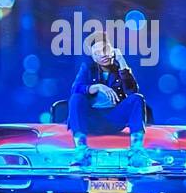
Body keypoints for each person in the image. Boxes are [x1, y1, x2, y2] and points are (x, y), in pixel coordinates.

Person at [67, 34, 157, 172]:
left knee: (137, 98)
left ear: (112, 50)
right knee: (76, 98)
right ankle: (81, 153)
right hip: (92, 120)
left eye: (104, 50)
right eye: (96, 53)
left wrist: (121, 61)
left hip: (114, 119)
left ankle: (136, 153)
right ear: (93, 57)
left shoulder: (120, 69)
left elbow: (132, 91)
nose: (102, 55)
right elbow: (75, 89)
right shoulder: (88, 68)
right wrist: (97, 87)